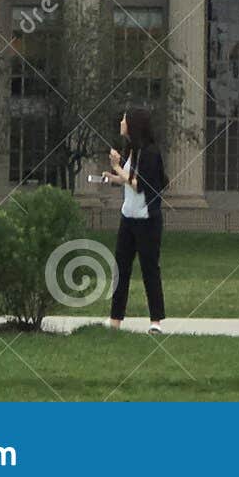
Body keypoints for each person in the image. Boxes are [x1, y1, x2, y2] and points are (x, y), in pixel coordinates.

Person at [107, 108, 166, 333]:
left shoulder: (150, 153)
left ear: (132, 124)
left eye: (124, 119)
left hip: (147, 220)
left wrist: (117, 168)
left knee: (149, 269)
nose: (121, 122)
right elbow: (128, 179)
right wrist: (113, 175)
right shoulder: (132, 150)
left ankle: (156, 322)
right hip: (128, 218)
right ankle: (115, 320)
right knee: (121, 268)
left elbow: (140, 185)